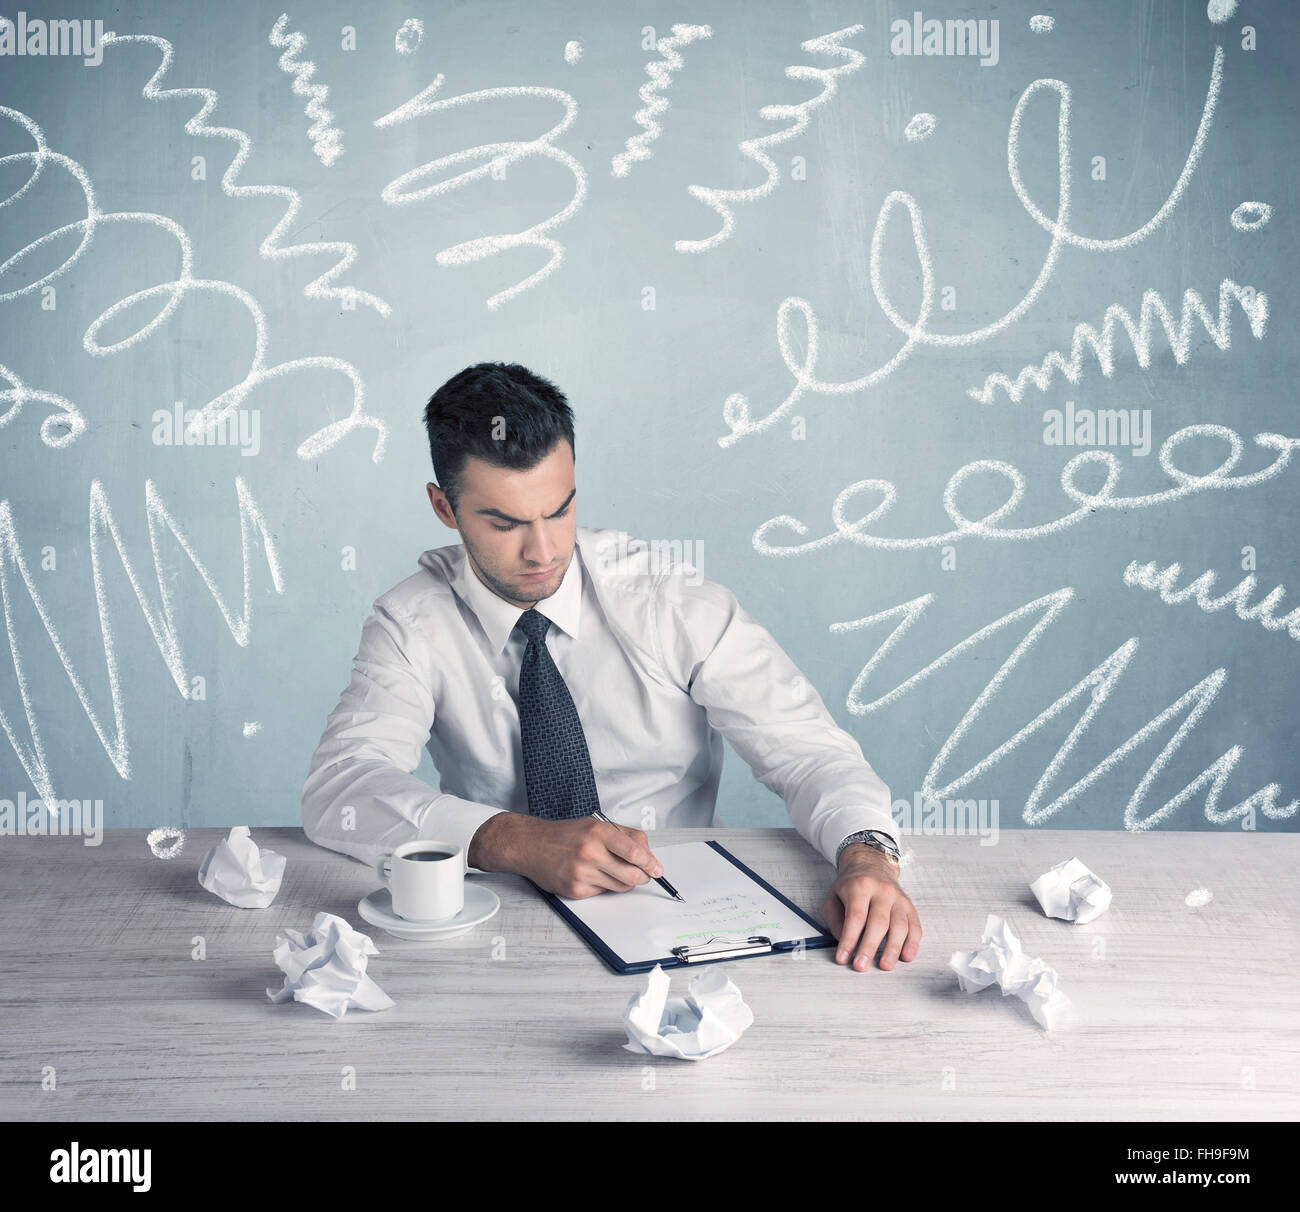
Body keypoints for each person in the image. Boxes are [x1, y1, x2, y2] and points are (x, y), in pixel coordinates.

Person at [301, 362, 922, 973]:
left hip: (682, 915)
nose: (542, 550)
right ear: (444, 508)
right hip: (496, 921)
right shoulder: (412, 623)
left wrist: (866, 855)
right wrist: (512, 840)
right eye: (504, 522)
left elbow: (809, 750)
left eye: (559, 510)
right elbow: (343, 786)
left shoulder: (668, 599)